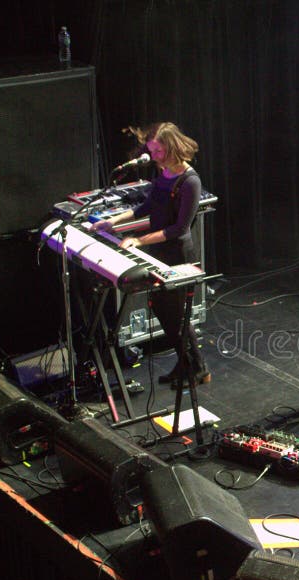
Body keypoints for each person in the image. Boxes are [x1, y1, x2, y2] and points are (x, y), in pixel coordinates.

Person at [92, 122, 209, 388]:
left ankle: (198, 367)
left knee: (176, 314)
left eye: (158, 150)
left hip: (177, 254)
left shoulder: (189, 181)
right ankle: (186, 363)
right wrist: (114, 221)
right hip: (158, 252)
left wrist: (138, 240)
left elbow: (179, 228)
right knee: (163, 311)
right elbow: (146, 206)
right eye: (152, 150)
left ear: (172, 146)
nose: (154, 156)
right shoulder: (164, 173)